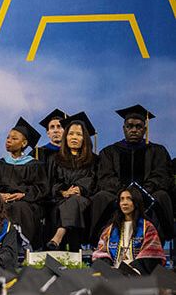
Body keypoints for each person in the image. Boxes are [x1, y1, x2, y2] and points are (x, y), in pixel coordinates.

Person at [91, 104, 173, 243]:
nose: (134, 130)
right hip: (118, 195)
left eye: (138, 126)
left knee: (161, 196)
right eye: (130, 126)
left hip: (148, 194)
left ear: (145, 130)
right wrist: (125, 193)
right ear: (124, 129)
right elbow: (105, 178)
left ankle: (156, 244)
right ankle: (102, 244)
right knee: (101, 197)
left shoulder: (157, 151)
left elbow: (162, 176)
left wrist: (142, 192)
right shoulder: (109, 152)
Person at [0, 117, 47, 247]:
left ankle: (22, 245)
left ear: (24, 144)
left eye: (14, 138)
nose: (9, 140)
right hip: (1, 201)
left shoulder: (35, 165)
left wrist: (23, 194)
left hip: (26, 203)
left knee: (19, 207)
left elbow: (42, 188)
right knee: (2, 207)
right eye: (8, 137)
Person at [45, 112, 97, 251]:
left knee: (75, 200)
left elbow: (94, 181)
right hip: (60, 200)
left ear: (85, 138)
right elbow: (50, 182)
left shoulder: (94, 160)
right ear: (66, 137)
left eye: (79, 134)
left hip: (84, 203)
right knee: (69, 203)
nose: (74, 137)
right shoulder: (54, 159)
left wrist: (80, 189)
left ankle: (58, 235)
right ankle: (72, 247)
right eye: (71, 134)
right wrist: (62, 191)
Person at [92, 186, 166, 275]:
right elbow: (101, 253)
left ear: (136, 202)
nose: (124, 203)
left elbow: (151, 254)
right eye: (122, 199)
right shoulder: (110, 229)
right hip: (114, 273)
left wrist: (132, 268)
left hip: (137, 274)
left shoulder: (147, 227)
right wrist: (108, 268)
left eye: (129, 199)